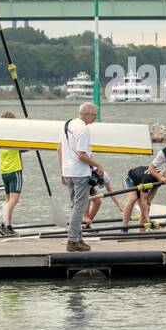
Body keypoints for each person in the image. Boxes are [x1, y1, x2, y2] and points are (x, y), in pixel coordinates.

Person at [58, 102, 101, 252]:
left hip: (68, 171)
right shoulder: (83, 129)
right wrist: (98, 165)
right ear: (88, 114)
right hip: (80, 173)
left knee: (74, 206)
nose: (95, 119)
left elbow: (59, 149)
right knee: (80, 207)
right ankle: (72, 240)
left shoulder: (68, 124)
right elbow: (81, 155)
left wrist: (62, 171)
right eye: (95, 115)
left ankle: (78, 239)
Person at [120, 164, 160, 230]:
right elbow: (143, 199)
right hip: (130, 179)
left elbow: (154, 189)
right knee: (133, 198)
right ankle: (124, 228)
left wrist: (148, 204)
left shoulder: (160, 178)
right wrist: (148, 219)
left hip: (140, 182)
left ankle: (142, 233)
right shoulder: (148, 178)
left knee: (146, 207)